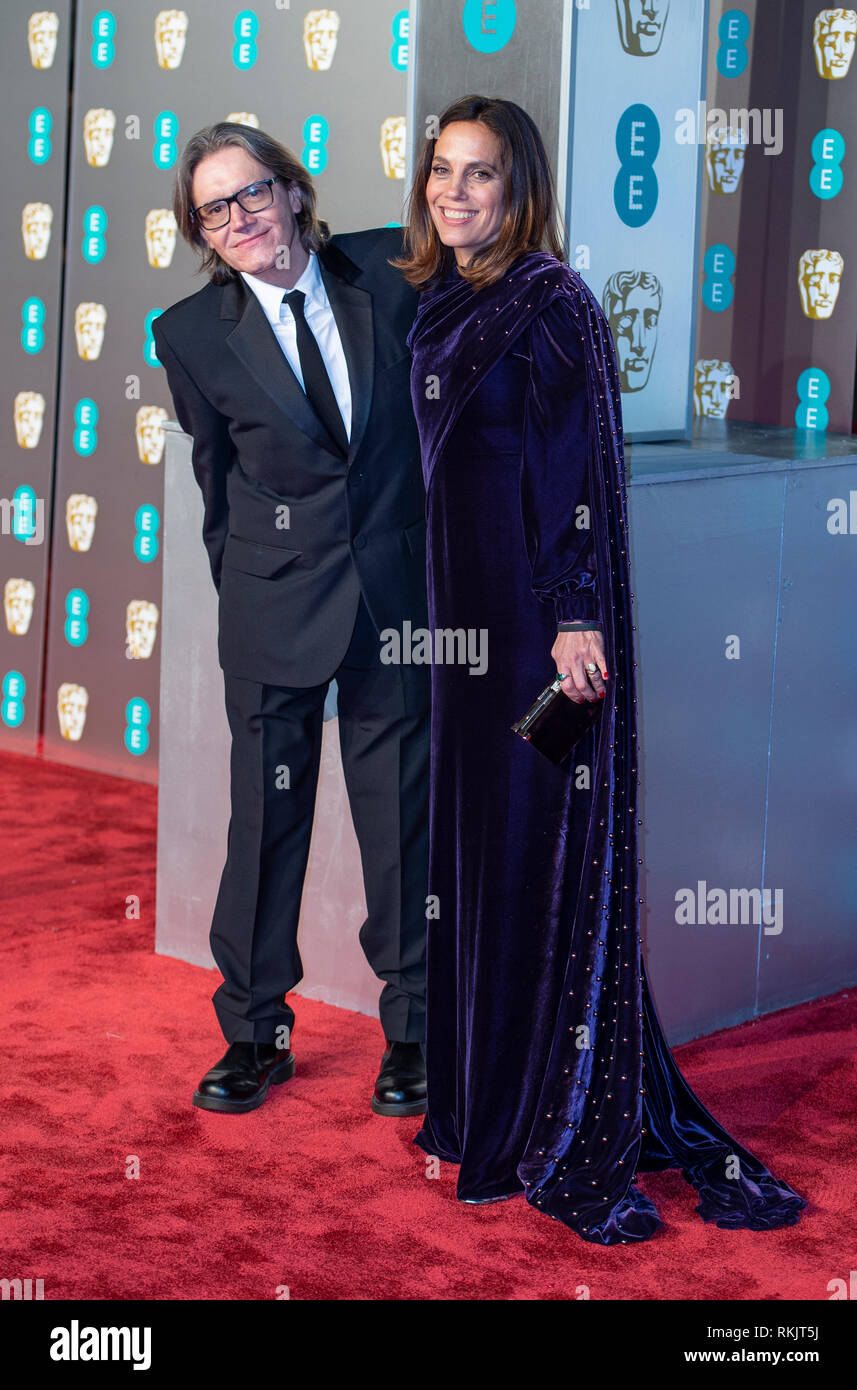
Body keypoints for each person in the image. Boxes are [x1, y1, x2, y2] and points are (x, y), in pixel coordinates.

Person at [396, 96, 807, 1244]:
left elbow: (572, 467)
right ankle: (482, 1101)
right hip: (462, 637)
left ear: (517, 187)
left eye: (478, 175)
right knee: (480, 859)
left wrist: (575, 618)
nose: (454, 193)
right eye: (440, 172)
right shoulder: (438, 298)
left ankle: (553, 1115)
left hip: (537, 638)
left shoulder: (551, 302)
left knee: (541, 860)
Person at [153, 123, 429, 1118]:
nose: (240, 219)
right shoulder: (187, 333)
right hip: (274, 607)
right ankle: (254, 1032)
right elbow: (216, 486)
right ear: (199, 228)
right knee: (266, 822)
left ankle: (413, 1034)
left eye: (253, 193)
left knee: (401, 820)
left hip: (396, 599)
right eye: (213, 208)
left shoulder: (392, 273)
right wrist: (249, 598)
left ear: (294, 190)